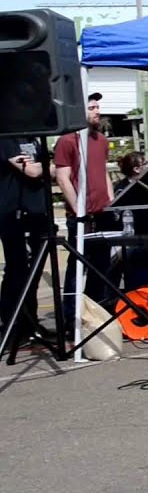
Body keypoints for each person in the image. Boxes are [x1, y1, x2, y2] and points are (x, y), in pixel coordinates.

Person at [53, 92, 114, 324]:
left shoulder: (101, 140)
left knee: (102, 264)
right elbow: (63, 177)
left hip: (102, 212)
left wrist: (111, 202)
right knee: (78, 265)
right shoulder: (68, 140)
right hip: (80, 216)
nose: (97, 111)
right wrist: (79, 209)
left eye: (98, 107)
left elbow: (105, 172)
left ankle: (97, 309)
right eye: (92, 107)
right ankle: (72, 316)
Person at [0, 136, 48, 348]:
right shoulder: (6, 138)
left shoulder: (35, 138)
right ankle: (11, 324)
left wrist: (43, 167)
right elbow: (32, 171)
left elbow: (48, 167)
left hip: (37, 211)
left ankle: (31, 322)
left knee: (35, 271)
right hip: (12, 211)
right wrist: (44, 168)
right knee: (17, 270)